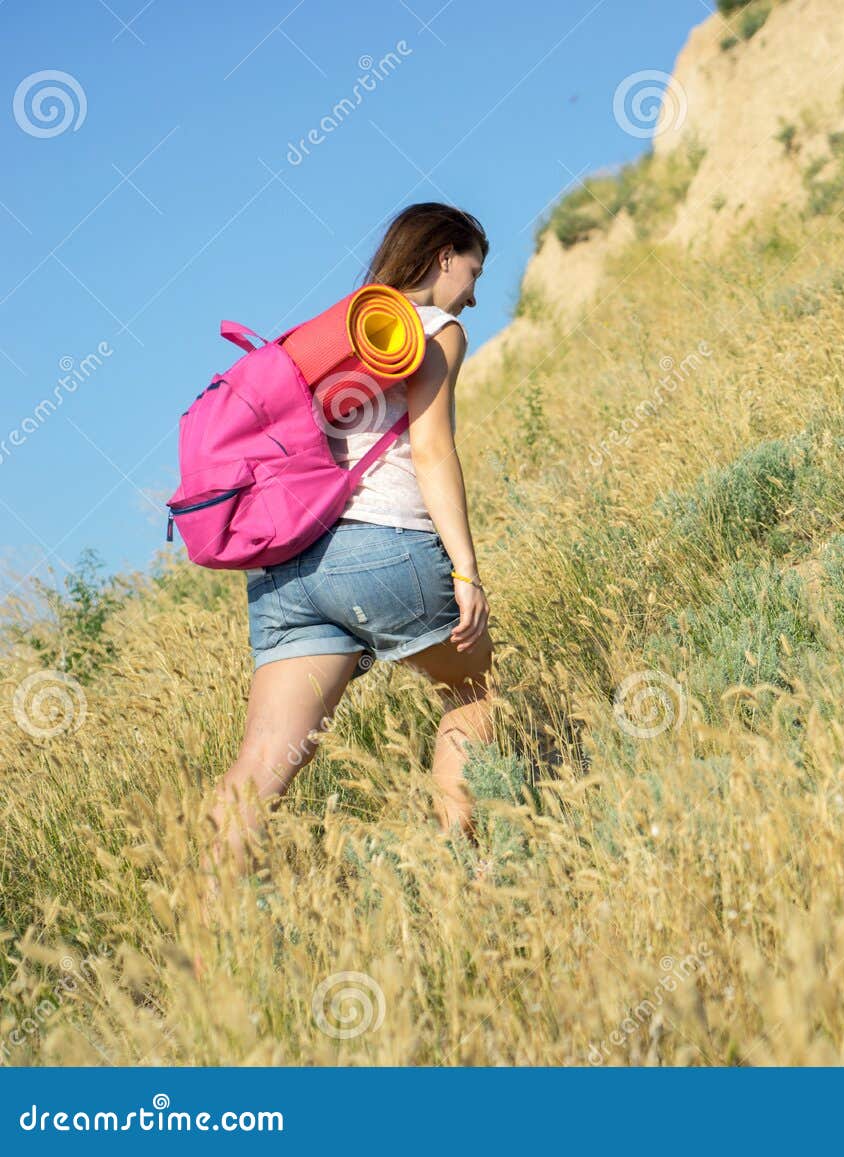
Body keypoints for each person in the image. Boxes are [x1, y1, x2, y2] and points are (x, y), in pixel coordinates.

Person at [201, 202, 495, 918]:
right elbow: (430, 449)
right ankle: (466, 882)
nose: (475, 295)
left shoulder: (327, 336)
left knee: (258, 772)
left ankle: (208, 937)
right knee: (473, 692)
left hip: (286, 570)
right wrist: (465, 568)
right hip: (380, 544)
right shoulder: (434, 329)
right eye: (474, 273)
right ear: (445, 254)